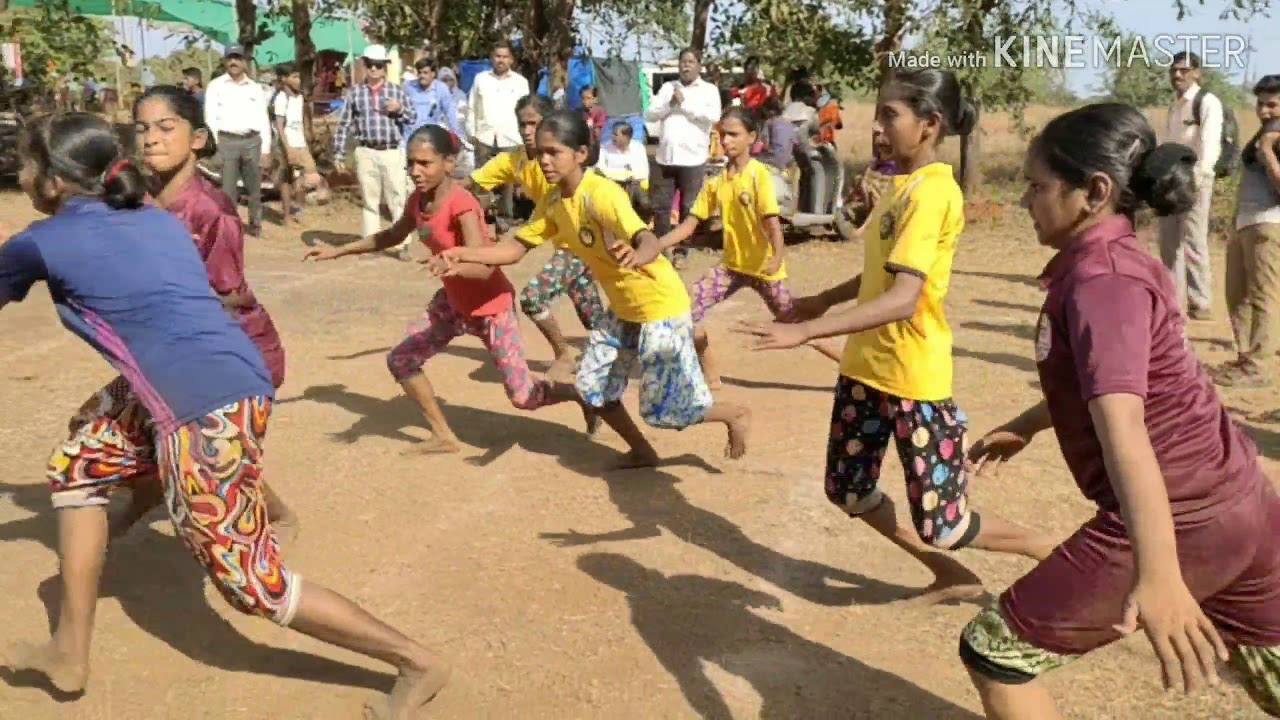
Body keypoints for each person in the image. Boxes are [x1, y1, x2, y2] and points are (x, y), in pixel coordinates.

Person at [0, 112, 449, 718]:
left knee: (249, 584)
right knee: (81, 464)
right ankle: (68, 653)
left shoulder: (41, 241)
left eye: (24, 167)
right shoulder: (153, 217)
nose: (20, 177)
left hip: (200, 408)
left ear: (52, 179)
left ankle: (418, 662)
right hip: (223, 376)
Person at [959, 101, 1280, 720]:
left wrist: (1158, 575)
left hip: (1183, 520)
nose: (1026, 199)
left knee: (996, 650)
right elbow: (1136, 380)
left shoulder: (1101, 281)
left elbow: (1127, 433)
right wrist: (1028, 424)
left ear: (1094, 192)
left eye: (1037, 185)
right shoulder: (1127, 261)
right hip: (1241, 501)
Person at [744, 70, 1055, 603]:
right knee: (848, 489)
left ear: (930, 125)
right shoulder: (900, 185)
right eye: (879, 114)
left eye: (891, 115)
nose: (878, 128)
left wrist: (810, 331)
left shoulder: (934, 193)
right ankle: (950, 575)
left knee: (944, 523)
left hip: (914, 379)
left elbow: (904, 297)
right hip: (866, 369)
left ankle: (1045, 547)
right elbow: (880, 277)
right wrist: (822, 301)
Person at [434, 111, 752, 469]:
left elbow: (646, 238)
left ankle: (733, 414)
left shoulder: (601, 195)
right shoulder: (553, 202)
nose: (545, 161)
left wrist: (638, 254)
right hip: (623, 309)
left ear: (582, 153)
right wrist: (463, 253)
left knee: (667, 413)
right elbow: (514, 249)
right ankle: (643, 451)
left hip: (660, 307)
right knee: (592, 389)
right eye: (540, 153)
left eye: (554, 152)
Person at [305, 125, 591, 453]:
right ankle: (443, 435)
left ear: (449, 164)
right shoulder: (418, 200)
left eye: (425, 163)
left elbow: (485, 267)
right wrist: (337, 250)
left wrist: (452, 263)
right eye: (411, 163)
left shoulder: (462, 203)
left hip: (491, 307)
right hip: (453, 302)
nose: (415, 171)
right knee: (401, 360)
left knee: (523, 397)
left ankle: (578, 395)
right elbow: (391, 236)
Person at [103, 85, 299, 535]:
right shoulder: (142, 202)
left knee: (200, 459)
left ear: (197, 138)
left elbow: (225, 300)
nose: (152, 138)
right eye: (143, 129)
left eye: (166, 127)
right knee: (129, 429)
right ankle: (131, 509)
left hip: (236, 358)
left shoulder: (212, 211)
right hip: (178, 351)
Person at [469, 94, 606, 374]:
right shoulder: (514, 160)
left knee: (534, 298)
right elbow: (473, 183)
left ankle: (564, 356)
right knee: (596, 320)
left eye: (533, 124)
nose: (527, 131)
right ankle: (616, 357)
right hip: (563, 242)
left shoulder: (567, 160)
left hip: (579, 244)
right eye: (522, 124)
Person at [659, 106, 791, 390]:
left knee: (799, 323)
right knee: (685, 311)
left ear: (751, 138)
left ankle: (846, 363)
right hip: (731, 268)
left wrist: (777, 257)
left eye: (734, 134)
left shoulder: (758, 176)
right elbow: (689, 224)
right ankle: (710, 372)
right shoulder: (716, 182)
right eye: (722, 135)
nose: (726, 141)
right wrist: (657, 244)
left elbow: (772, 224)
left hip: (765, 270)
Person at [1215, 74, 1280, 388]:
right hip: (1246, 224)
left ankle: (1259, 365)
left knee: (1263, 297)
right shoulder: (1263, 133)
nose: (1265, 111)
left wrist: (1268, 151)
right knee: (1236, 295)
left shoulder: (1273, 138)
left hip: (1268, 223)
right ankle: (1245, 358)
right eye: (1261, 103)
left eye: (1273, 105)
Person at [333, 44, 419, 260]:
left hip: (391, 150)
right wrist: (339, 153)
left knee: (397, 199)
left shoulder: (396, 92)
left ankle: (402, 243)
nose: (374, 69)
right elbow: (344, 124)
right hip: (366, 150)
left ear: (385, 68)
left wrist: (399, 109)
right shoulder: (355, 94)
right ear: (365, 66)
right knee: (370, 201)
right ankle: (371, 245)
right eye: (370, 65)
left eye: (378, 65)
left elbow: (412, 118)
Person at [1160, 51, 1223, 320]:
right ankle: (1171, 300)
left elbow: (1210, 145)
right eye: (1174, 70)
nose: (1177, 75)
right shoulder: (1175, 105)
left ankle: (1200, 303)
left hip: (1195, 179)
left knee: (1193, 240)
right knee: (1169, 241)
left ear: (1198, 73)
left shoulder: (1206, 102)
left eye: (1184, 71)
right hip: (1172, 179)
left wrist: (1198, 179)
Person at [646, 48, 721, 269]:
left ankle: (681, 252)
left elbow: (713, 117)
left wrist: (684, 104)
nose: (685, 66)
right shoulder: (668, 87)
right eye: (683, 62)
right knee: (660, 207)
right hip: (665, 157)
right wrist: (670, 103)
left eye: (690, 62)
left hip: (693, 158)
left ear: (699, 66)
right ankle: (659, 251)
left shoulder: (708, 90)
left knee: (689, 209)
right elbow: (650, 113)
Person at [204, 44, 272, 238]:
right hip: (226, 142)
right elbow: (210, 117)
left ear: (244, 62)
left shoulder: (255, 88)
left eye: (237, 58)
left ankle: (256, 226)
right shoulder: (216, 86)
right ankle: (230, 228)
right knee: (228, 190)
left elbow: (263, 119)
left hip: (252, 141)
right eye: (230, 58)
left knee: (254, 188)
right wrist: (214, 146)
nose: (234, 62)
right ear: (225, 61)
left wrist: (266, 149)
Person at [466, 42, 531, 222]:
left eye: (505, 56)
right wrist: (471, 131)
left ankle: (504, 221)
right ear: (492, 58)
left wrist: (524, 137)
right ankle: (477, 219)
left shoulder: (520, 82)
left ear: (511, 59)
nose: (501, 60)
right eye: (497, 56)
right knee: (481, 180)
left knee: (507, 184)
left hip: (510, 139)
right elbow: (472, 106)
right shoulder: (481, 79)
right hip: (484, 137)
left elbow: (525, 110)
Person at [270, 62, 322, 226]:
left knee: (312, 177)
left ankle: (297, 207)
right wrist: (287, 148)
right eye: (294, 77)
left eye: (298, 76)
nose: (298, 80)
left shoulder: (299, 97)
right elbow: (280, 126)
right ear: (284, 79)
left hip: (300, 143)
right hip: (286, 144)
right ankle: (286, 216)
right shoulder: (280, 98)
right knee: (285, 179)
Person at [404, 58, 462, 139]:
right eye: (419, 73)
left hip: (432, 137)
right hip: (411, 136)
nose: (422, 76)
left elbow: (450, 112)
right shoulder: (409, 87)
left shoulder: (441, 88)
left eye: (425, 73)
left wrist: (458, 136)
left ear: (433, 74)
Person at [595, 122, 650, 191]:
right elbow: (600, 169)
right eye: (612, 134)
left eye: (615, 134)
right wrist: (625, 173)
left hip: (632, 186)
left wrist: (611, 173)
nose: (612, 137)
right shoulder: (605, 147)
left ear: (626, 136)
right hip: (610, 185)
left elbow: (640, 173)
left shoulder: (638, 148)